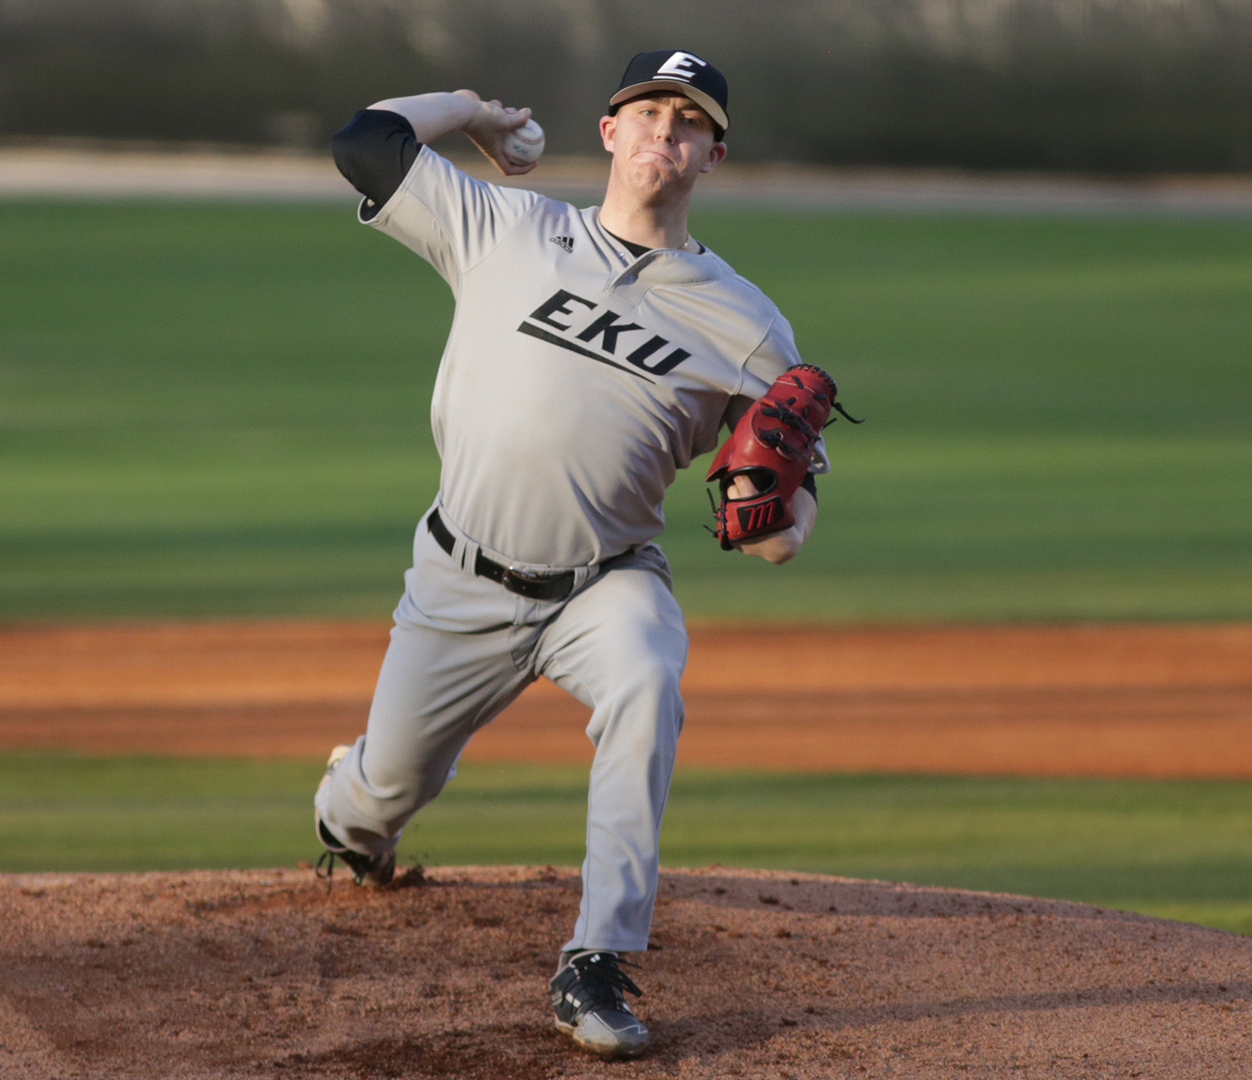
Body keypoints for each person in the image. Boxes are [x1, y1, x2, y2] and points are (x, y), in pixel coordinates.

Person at [312, 49, 826, 1060]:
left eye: (686, 125)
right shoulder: (509, 226)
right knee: (376, 799)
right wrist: (475, 113)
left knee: (648, 674)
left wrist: (777, 531)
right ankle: (356, 812)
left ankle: (596, 960)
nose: (662, 136)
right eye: (645, 114)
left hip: (607, 582)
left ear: (712, 154)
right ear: (609, 131)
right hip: (457, 581)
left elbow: (790, 500)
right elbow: (364, 144)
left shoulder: (751, 326)